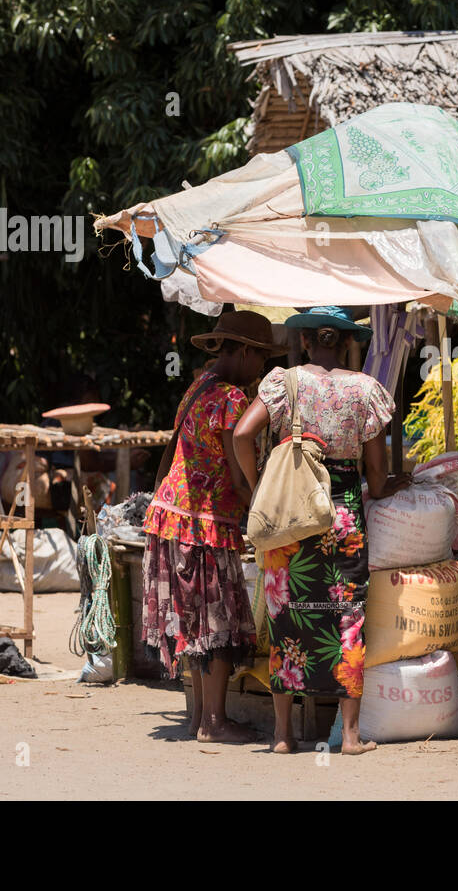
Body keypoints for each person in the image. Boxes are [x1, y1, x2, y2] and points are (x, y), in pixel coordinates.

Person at [234, 305, 407, 755]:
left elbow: (241, 434)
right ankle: (349, 737)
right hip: (340, 515)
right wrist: (390, 486)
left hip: (288, 515)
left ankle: (283, 736)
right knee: (347, 620)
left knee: (285, 616)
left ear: (306, 341)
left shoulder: (280, 382)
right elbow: (376, 475)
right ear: (347, 343)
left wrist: (259, 488)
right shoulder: (367, 390)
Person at [142, 311, 278, 743]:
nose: (261, 369)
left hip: (170, 518)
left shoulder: (196, 387)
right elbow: (238, 477)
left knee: (193, 624)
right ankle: (214, 723)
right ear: (241, 351)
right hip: (203, 525)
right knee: (217, 620)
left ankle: (201, 716)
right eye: (260, 358)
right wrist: (263, 508)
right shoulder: (232, 400)